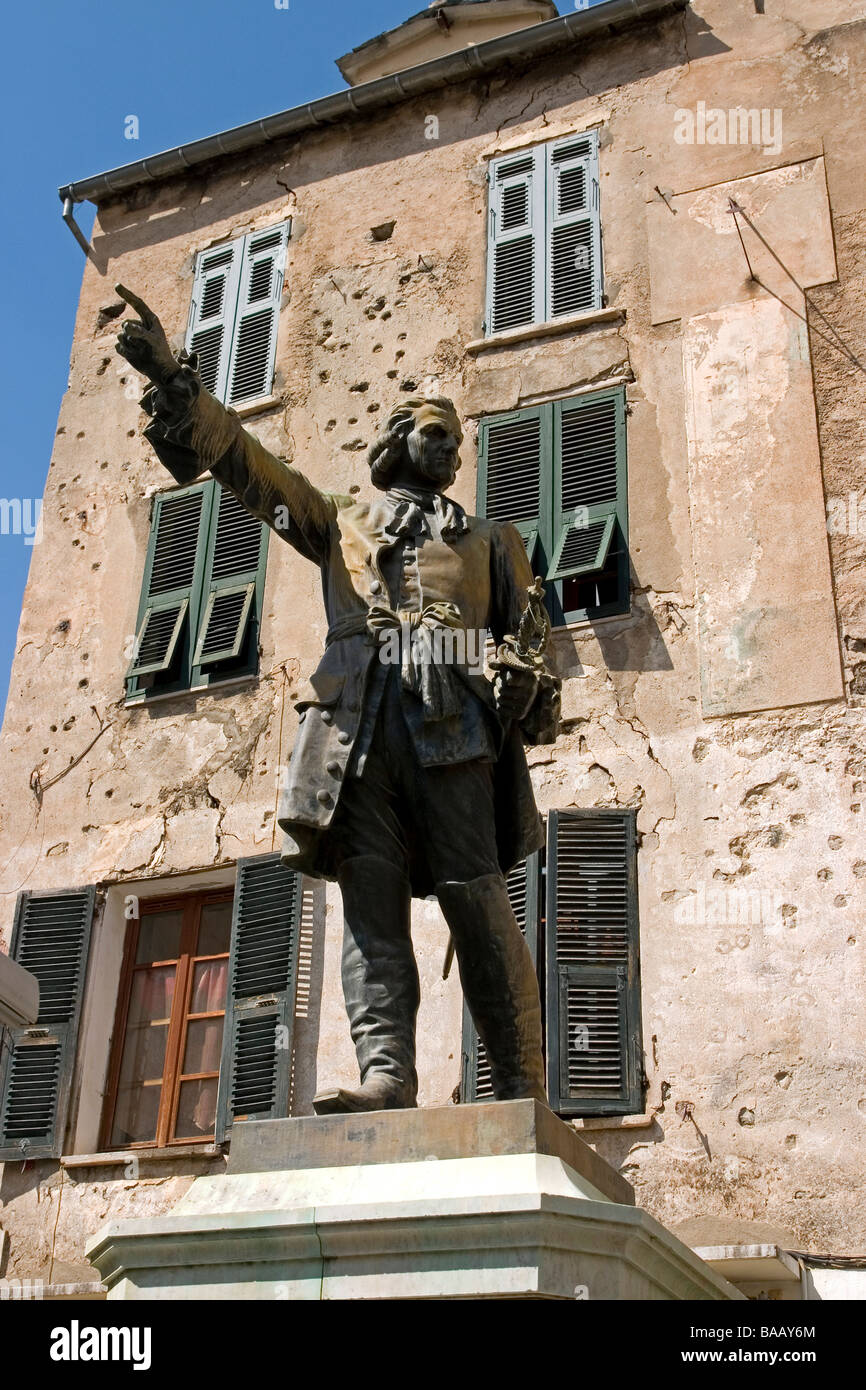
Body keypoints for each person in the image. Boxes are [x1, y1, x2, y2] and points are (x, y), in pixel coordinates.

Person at [115, 284, 561, 1114]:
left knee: (476, 893)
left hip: (452, 722)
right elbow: (251, 469)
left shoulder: (491, 541)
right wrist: (178, 381)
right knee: (369, 896)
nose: (451, 453)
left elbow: (535, 647)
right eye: (436, 436)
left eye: (457, 443)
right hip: (352, 722)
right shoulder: (337, 522)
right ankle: (386, 1073)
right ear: (398, 443)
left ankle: (519, 1083)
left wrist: (511, 674)